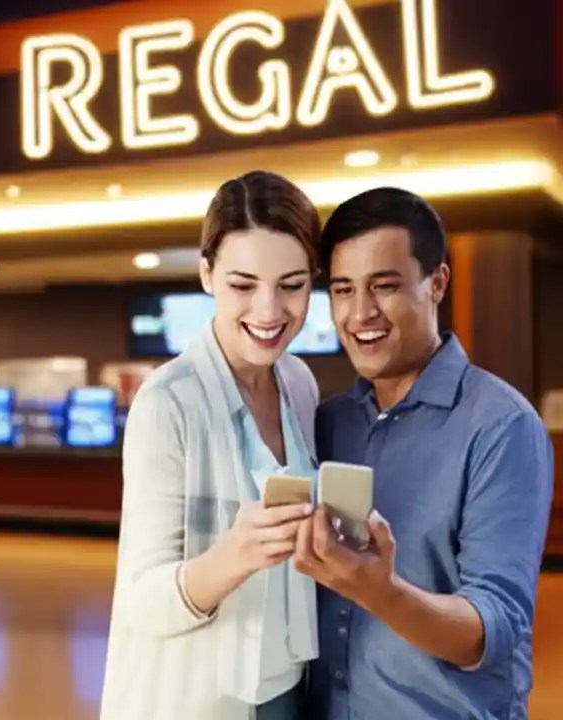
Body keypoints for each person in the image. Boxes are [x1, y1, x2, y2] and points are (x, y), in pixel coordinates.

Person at [295, 187, 554, 719]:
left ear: (437, 282)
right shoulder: (328, 423)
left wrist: (382, 591)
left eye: (384, 286)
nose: (360, 313)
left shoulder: (501, 426)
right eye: (342, 290)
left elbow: (493, 630)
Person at [100, 171, 323, 720]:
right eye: (243, 285)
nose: (269, 312)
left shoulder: (300, 383)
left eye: (291, 286)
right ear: (206, 274)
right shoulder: (167, 403)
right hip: (199, 699)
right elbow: (143, 601)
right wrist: (234, 557)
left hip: (290, 689)